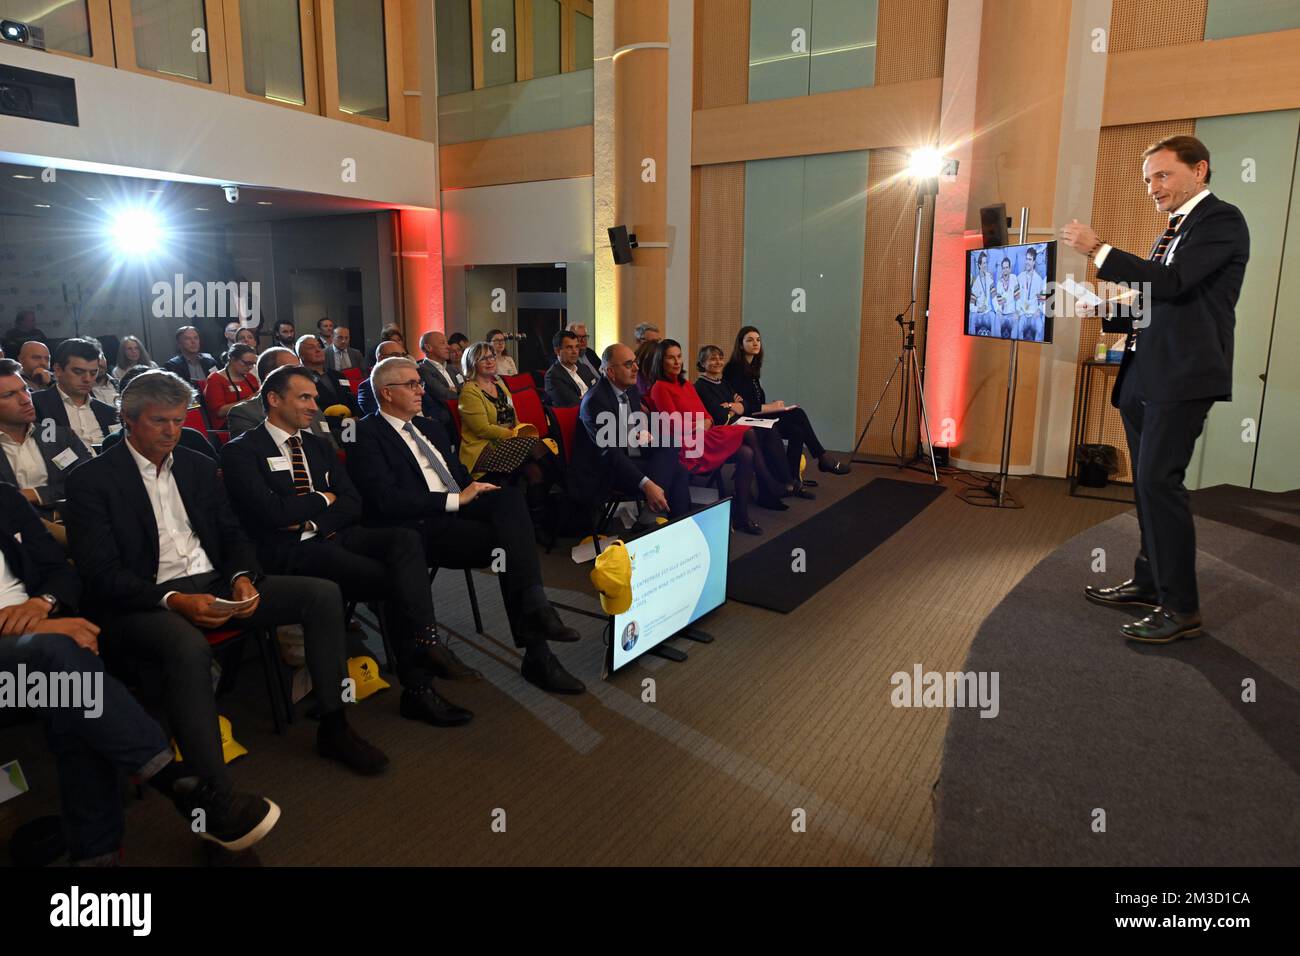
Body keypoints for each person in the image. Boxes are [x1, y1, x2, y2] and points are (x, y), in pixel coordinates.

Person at [64, 370, 389, 777]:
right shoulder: (91, 481)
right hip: (147, 597)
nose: (171, 432)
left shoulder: (197, 466)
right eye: (159, 421)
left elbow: (233, 535)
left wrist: (241, 577)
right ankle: (212, 792)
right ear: (128, 419)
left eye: (179, 421)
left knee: (321, 595)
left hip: (214, 581)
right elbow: (101, 574)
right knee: (189, 647)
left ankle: (335, 726)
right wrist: (174, 600)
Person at [0, 483, 279, 861]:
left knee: (75, 699)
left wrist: (42, 602)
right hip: (22, 653)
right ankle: (177, 782)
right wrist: (33, 629)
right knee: (61, 663)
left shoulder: (4, 495)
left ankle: (98, 855)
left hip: (46, 644)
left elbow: (58, 571)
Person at [1063, 134, 1249, 644]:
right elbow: (1155, 301)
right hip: (1146, 374)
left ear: (1200, 170)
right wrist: (1106, 309)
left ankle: (1182, 607)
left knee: (1159, 484)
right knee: (1148, 486)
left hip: (1183, 377)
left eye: (1163, 175)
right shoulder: (1172, 230)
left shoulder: (1221, 221)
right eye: (1148, 180)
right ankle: (1150, 582)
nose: (1153, 188)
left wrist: (1099, 250)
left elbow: (1174, 285)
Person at [221, 364, 477, 727]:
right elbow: (272, 514)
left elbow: (352, 501)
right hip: (287, 551)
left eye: (314, 397)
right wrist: (324, 499)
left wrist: (316, 516)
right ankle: (419, 686)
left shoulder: (317, 445)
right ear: (274, 399)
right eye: (304, 397)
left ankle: (427, 640)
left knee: (405, 539)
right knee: (395, 580)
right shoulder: (241, 452)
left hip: (334, 534)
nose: (314, 405)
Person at [347, 356, 585, 695]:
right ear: (386, 392)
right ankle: (538, 652)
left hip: (457, 509)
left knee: (508, 500)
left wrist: (469, 494)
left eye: (420, 383)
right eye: (412, 384)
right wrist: (455, 501)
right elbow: (385, 501)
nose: (421, 390)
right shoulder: (365, 434)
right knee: (511, 544)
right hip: (418, 527)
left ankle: (535, 606)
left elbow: (457, 477)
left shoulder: (429, 427)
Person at [648, 340, 785, 534]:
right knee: (747, 430)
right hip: (687, 445)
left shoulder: (686, 385)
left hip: (705, 436)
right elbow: (672, 425)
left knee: (746, 453)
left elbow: (710, 417)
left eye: (679, 356)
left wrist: (705, 423)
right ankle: (768, 483)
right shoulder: (660, 387)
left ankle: (741, 517)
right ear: (660, 361)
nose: (677, 361)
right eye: (671, 357)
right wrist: (700, 425)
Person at [573, 343, 692, 519]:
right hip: (605, 468)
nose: (636, 368)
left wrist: (641, 433)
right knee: (677, 470)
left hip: (630, 451)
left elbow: (635, 427)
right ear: (611, 371)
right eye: (629, 364)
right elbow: (610, 453)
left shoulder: (630, 390)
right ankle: (660, 520)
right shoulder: (595, 401)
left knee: (672, 444)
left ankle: (657, 517)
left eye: (635, 362)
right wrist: (647, 484)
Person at [723, 325, 850, 482]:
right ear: (741, 345)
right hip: (746, 421)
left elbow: (755, 401)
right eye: (750, 340)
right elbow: (744, 408)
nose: (756, 343)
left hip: (757, 416)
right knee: (798, 413)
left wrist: (773, 405)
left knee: (797, 430)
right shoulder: (734, 369)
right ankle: (822, 458)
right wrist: (772, 408)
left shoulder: (752, 368)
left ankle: (793, 479)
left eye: (758, 340)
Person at [457, 341, 556, 525]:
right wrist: (514, 435)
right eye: (482, 358)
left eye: (491, 356)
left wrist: (520, 431)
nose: (489, 361)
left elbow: (514, 417)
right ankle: (563, 475)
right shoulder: (469, 392)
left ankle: (536, 522)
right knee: (536, 446)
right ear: (472, 364)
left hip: (507, 443)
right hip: (482, 450)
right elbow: (483, 429)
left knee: (535, 472)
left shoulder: (499, 385)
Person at [694, 344, 805, 498]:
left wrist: (732, 405)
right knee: (756, 436)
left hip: (740, 423)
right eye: (712, 359)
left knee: (771, 429)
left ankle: (786, 480)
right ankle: (772, 483)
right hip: (723, 431)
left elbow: (744, 404)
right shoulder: (700, 386)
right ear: (702, 363)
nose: (718, 362)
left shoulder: (723, 383)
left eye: (720, 358)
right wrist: (734, 406)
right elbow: (718, 414)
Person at [0, 359, 92, 508]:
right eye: (9, 395)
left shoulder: (61, 437)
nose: (25, 400)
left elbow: (89, 480)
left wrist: (37, 494)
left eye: (25, 390)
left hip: (71, 521)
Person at [225, 347, 337, 446]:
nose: (302, 374)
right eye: (292, 371)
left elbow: (332, 450)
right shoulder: (244, 413)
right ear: (270, 376)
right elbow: (251, 458)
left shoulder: (312, 407)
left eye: (300, 368)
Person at [32, 338, 119, 450]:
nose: (87, 379)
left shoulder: (108, 412)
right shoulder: (36, 405)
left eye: (93, 373)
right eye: (78, 372)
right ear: (58, 370)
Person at [296, 334, 354, 419]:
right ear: (300, 355)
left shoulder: (338, 375)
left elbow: (351, 398)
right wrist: (341, 421)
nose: (318, 350)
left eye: (319, 346)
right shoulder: (300, 380)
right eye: (311, 348)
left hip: (351, 423)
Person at [202, 343, 258, 429]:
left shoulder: (251, 378)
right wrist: (249, 400)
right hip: (227, 425)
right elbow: (219, 412)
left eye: (253, 364)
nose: (250, 367)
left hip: (250, 419)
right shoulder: (215, 379)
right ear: (232, 359)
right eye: (246, 363)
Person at [544, 329, 597, 407]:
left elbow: (598, 389)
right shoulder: (552, 377)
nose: (575, 352)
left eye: (576, 347)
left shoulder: (583, 367)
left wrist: (585, 398)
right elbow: (573, 404)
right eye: (569, 347)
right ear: (557, 351)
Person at [356, 340, 407, 416]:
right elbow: (381, 417)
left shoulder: (410, 379)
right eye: (396, 355)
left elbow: (427, 405)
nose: (401, 359)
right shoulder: (367, 387)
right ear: (381, 358)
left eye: (403, 355)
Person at [1016, 246, 1048, 342]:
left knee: (1040, 328)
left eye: (1030, 259)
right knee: (1018, 328)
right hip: (1022, 313)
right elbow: (1017, 298)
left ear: (1034, 262)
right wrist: (1018, 311)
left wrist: (1038, 310)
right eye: (1026, 259)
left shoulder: (1039, 280)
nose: (1027, 262)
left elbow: (1041, 301)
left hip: (1034, 313)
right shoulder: (1020, 277)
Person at [968, 250, 995, 336]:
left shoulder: (990, 277)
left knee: (994, 316)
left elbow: (994, 296)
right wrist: (978, 309)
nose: (985, 265)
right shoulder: (975, 283)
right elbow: (971, 306)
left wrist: (997, 310)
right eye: (983, 263)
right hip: (979, 312)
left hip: (989, 311)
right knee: (972, 317)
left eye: (986, 263)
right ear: (979, 265)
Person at [992, 257, 1019, 338]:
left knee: (1016, 320)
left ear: (1010, 269)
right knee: (996, 318)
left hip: (1012, 313)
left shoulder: (1014, 278)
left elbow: (1017, 297)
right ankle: (997, 344)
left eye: (1007, 267)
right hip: (1003, 315)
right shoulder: (999, 283)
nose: (1005, 270)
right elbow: (998, 300)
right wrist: (998, 310)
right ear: (1002, 269)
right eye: (1003, 268)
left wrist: (1017, 311)